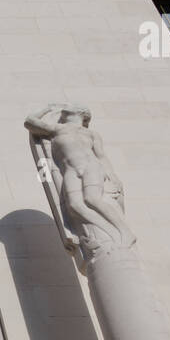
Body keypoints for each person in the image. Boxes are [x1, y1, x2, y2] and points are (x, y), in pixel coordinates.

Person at [25, 103, 136, 252]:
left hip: (91, 167)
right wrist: (47, 108)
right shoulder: (59, 129)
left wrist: (113, 176)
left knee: (92, 199)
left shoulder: (91, 134)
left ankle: (125, 232)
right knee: (74, 206)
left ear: (82, 114)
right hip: (71, 169)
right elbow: (29, 122)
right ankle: (111, 232)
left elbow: (101, 156)